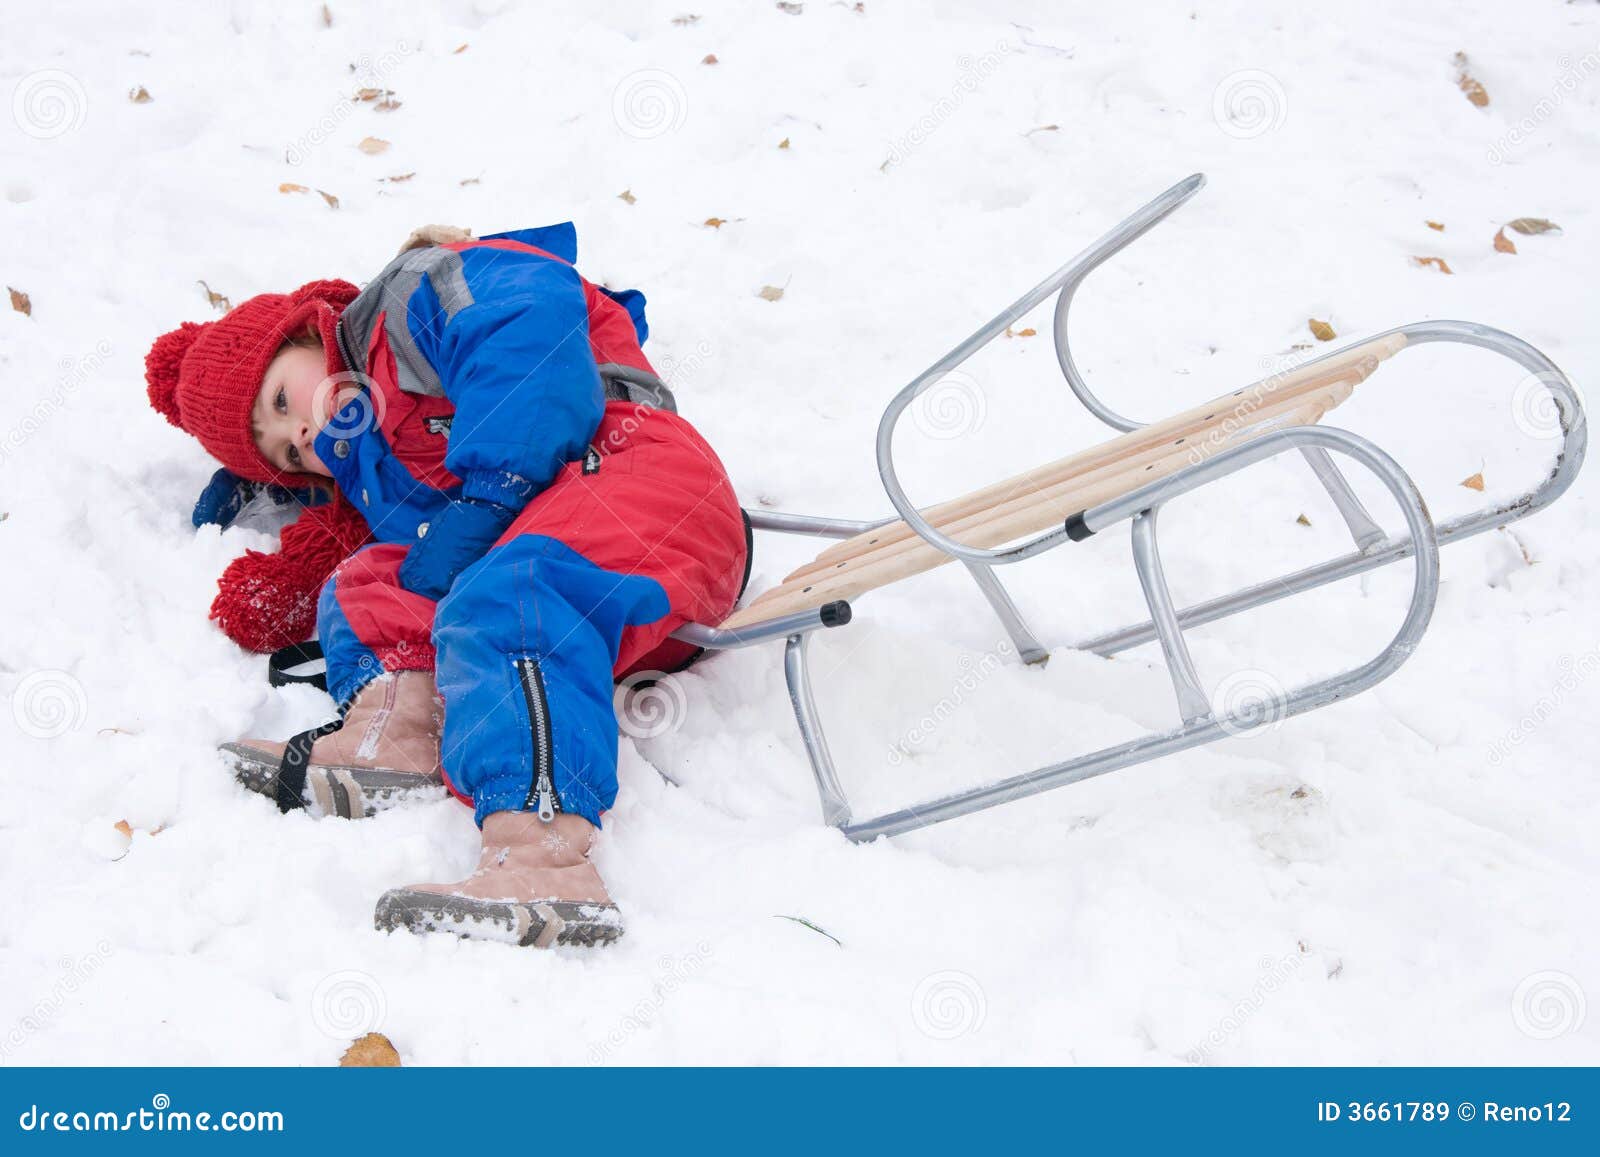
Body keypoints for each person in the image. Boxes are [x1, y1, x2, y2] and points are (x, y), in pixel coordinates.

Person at [143, 223, 749, 948]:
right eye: (285, 454)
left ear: (305, 331)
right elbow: (375, 554)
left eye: (280, 402)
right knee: (370, 581)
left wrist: (495, 485)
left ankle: (542, 860)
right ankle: (396, 736)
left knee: (510, 594)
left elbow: (527, 328)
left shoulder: (410, 303)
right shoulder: (372, 466)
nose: (298, 436)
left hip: (644, 480)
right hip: (584, 582)